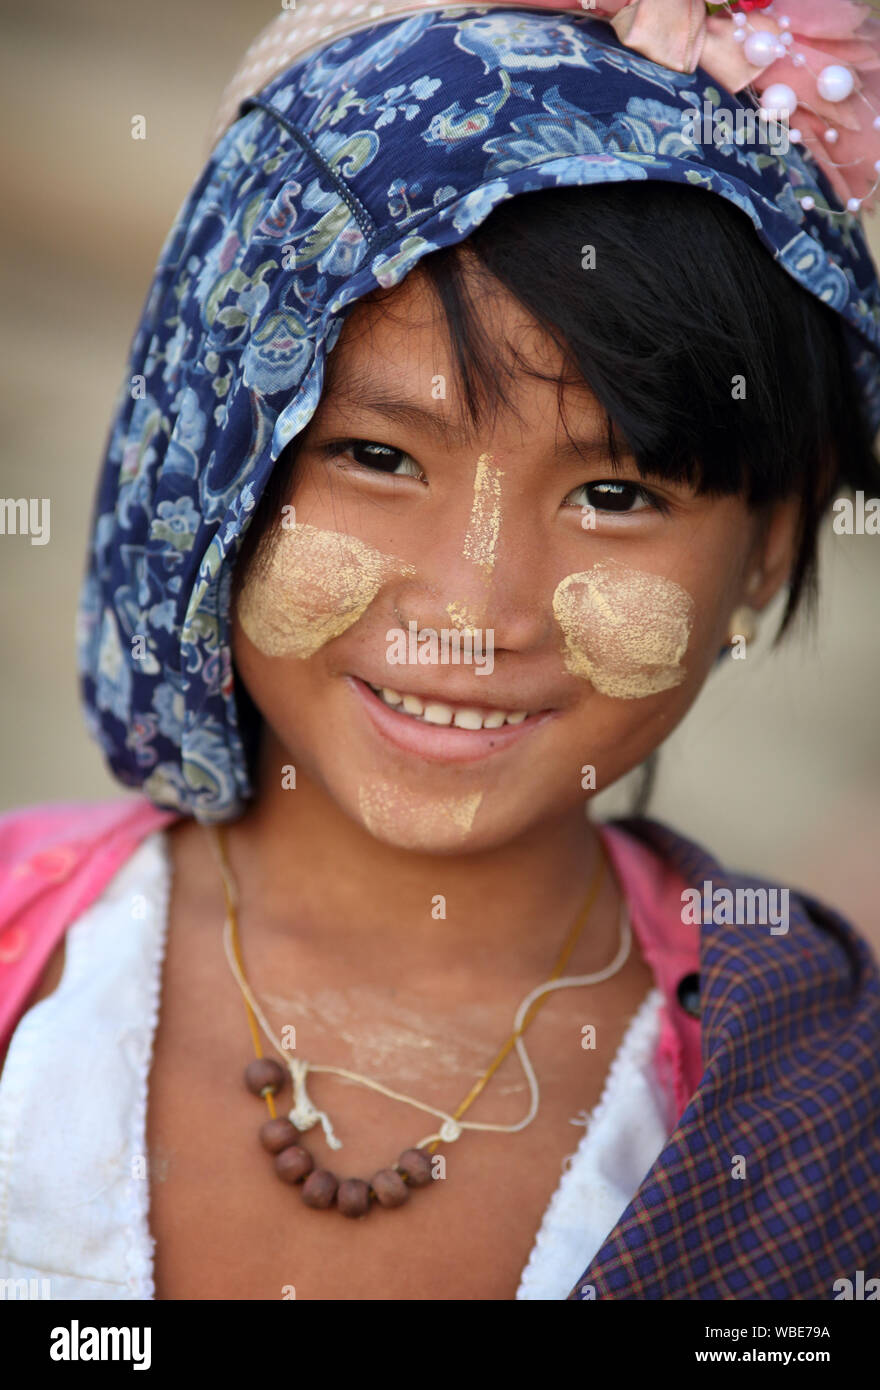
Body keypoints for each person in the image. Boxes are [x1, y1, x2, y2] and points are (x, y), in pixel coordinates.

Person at [1, 0, 879, 1301]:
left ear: (767, 545)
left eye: (618, 494)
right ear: (216, 463)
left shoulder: (819, 1103)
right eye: (374, 456)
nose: (478, 603)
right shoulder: (35, 963)